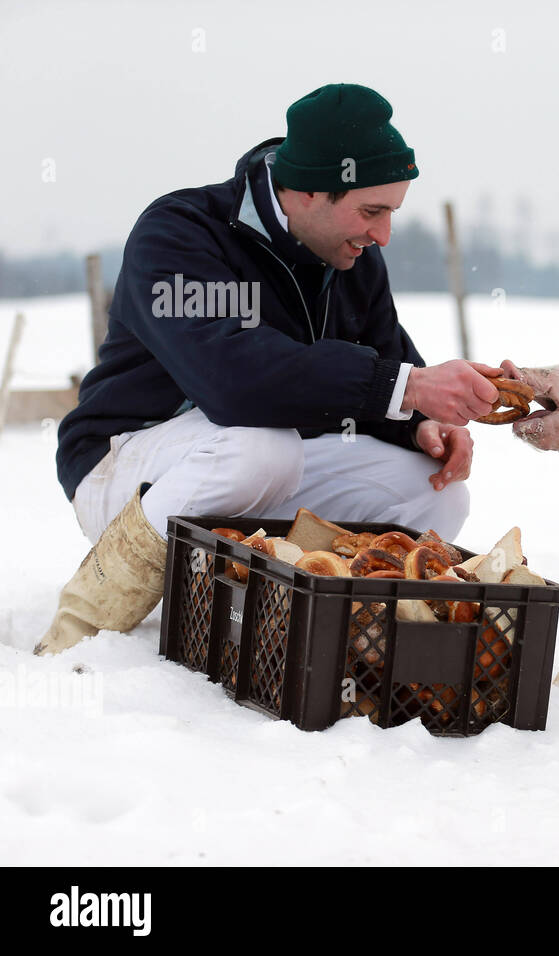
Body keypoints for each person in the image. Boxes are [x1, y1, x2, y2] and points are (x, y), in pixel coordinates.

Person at [38, 84, 509, 655]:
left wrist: (417, 423)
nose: (382, 234)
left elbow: (383, 368)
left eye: (391, 213)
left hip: (262, 467)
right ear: (309, 191)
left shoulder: (353, 258)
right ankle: (83, 626)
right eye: (371, 211)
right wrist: (407, 387)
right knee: (262, 448)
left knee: (437, 496)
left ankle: (314, 629)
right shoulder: (180, 232)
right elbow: (230, 384)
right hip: (127, 471)